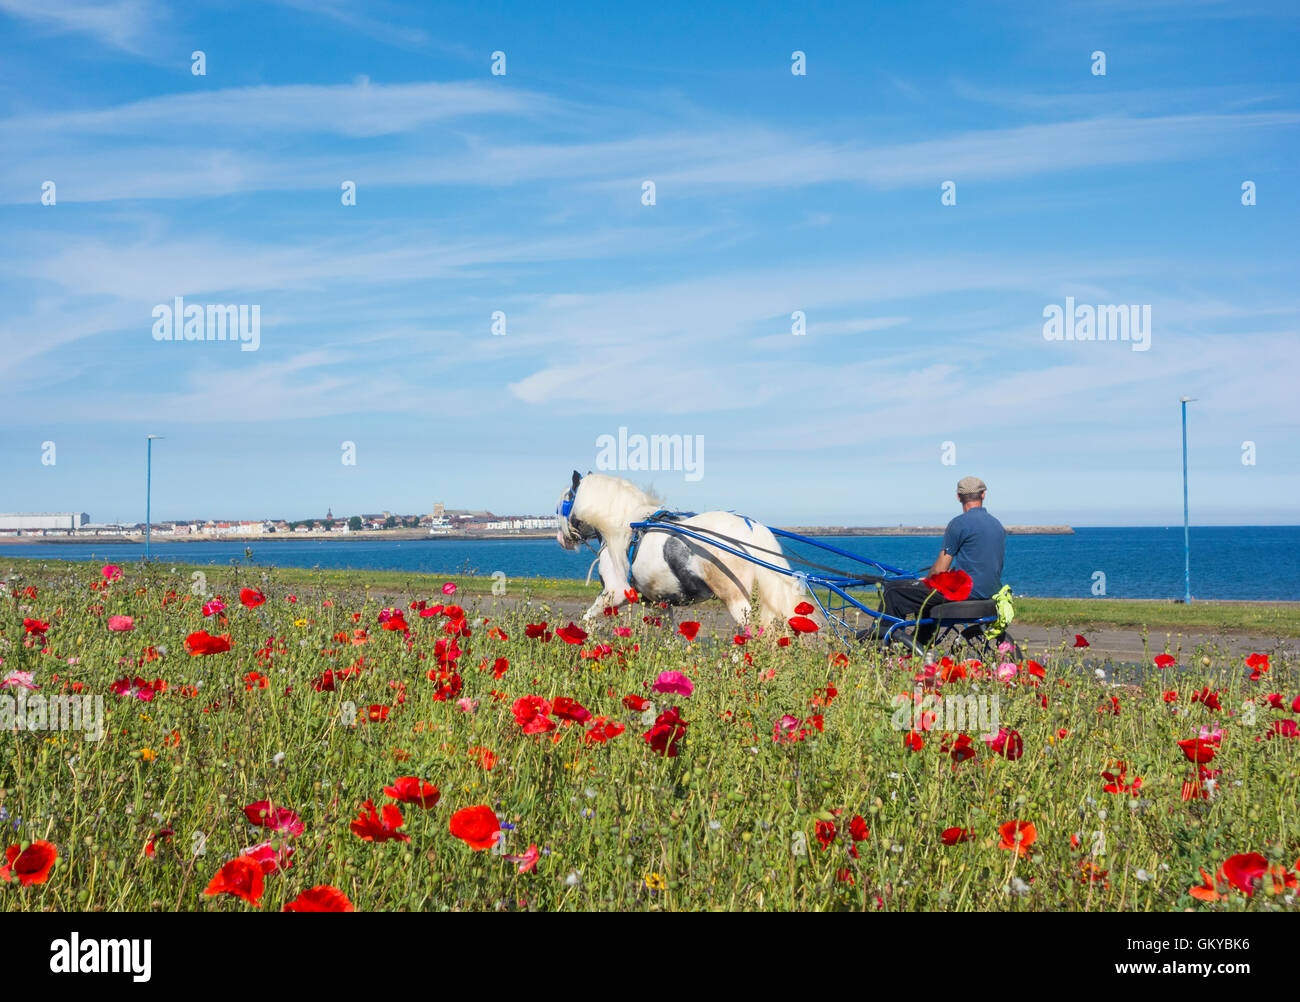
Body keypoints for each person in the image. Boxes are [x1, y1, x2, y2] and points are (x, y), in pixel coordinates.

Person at [859, 476, 1006, 646]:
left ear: (958, 497)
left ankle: (882, 645)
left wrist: (929, 580)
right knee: (925, 598)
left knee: (893, 591)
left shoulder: (959, 524)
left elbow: (940, 569)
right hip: (988, 592)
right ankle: (918, 644)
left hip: (965, 593)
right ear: (984, 494)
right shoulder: (997, 525)